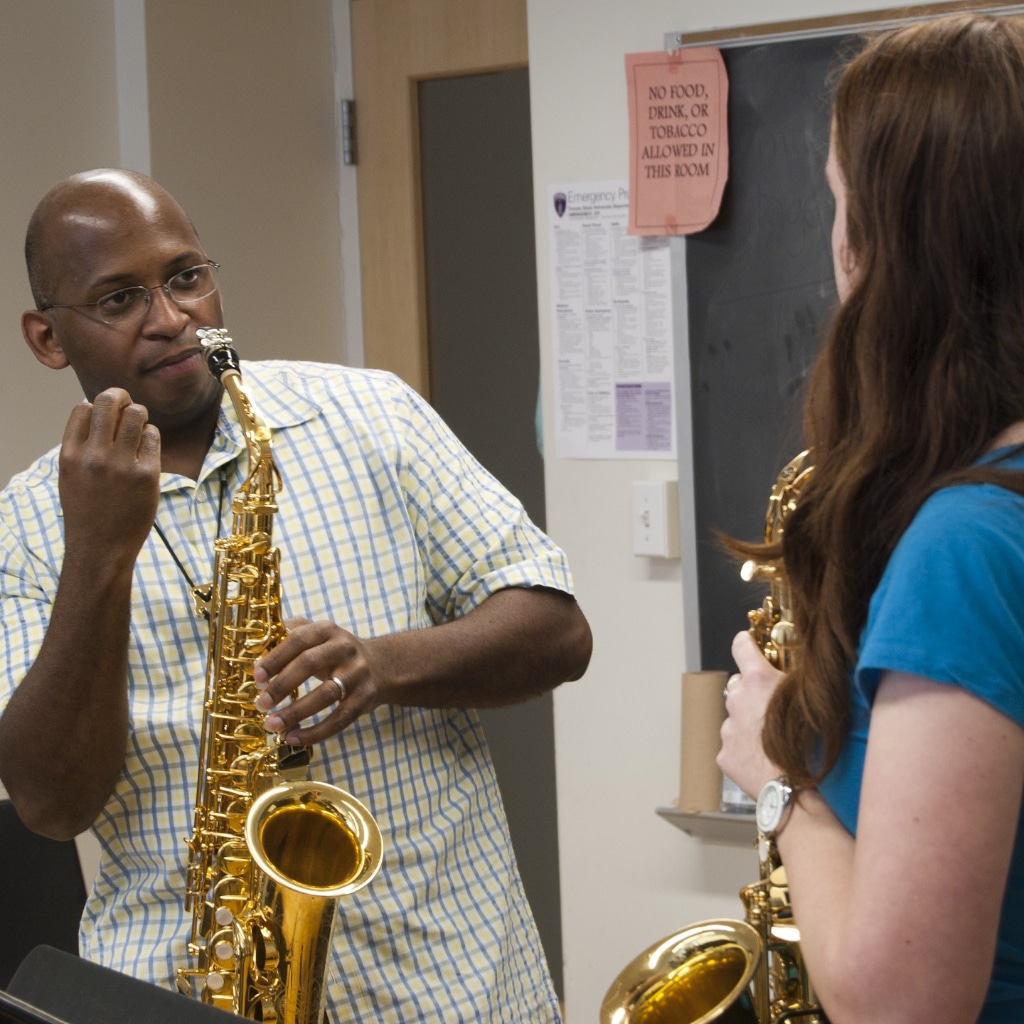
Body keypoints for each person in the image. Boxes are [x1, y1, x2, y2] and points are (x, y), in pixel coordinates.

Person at [0, 167, 592, 1022]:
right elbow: (52, 804)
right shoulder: (26, 526)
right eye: (120, 299)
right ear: (48, 339)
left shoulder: (370, 415)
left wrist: (383, 664)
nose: (173, 320)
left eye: (187, 277)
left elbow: (558, 632)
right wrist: (97, 554)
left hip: (448, 988)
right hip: (188, 995)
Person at [717, 14, 1024, 1024]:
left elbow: (902, 1002)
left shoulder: (968, 544)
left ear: (890, 249)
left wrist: (776, 777)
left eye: (839, 208)